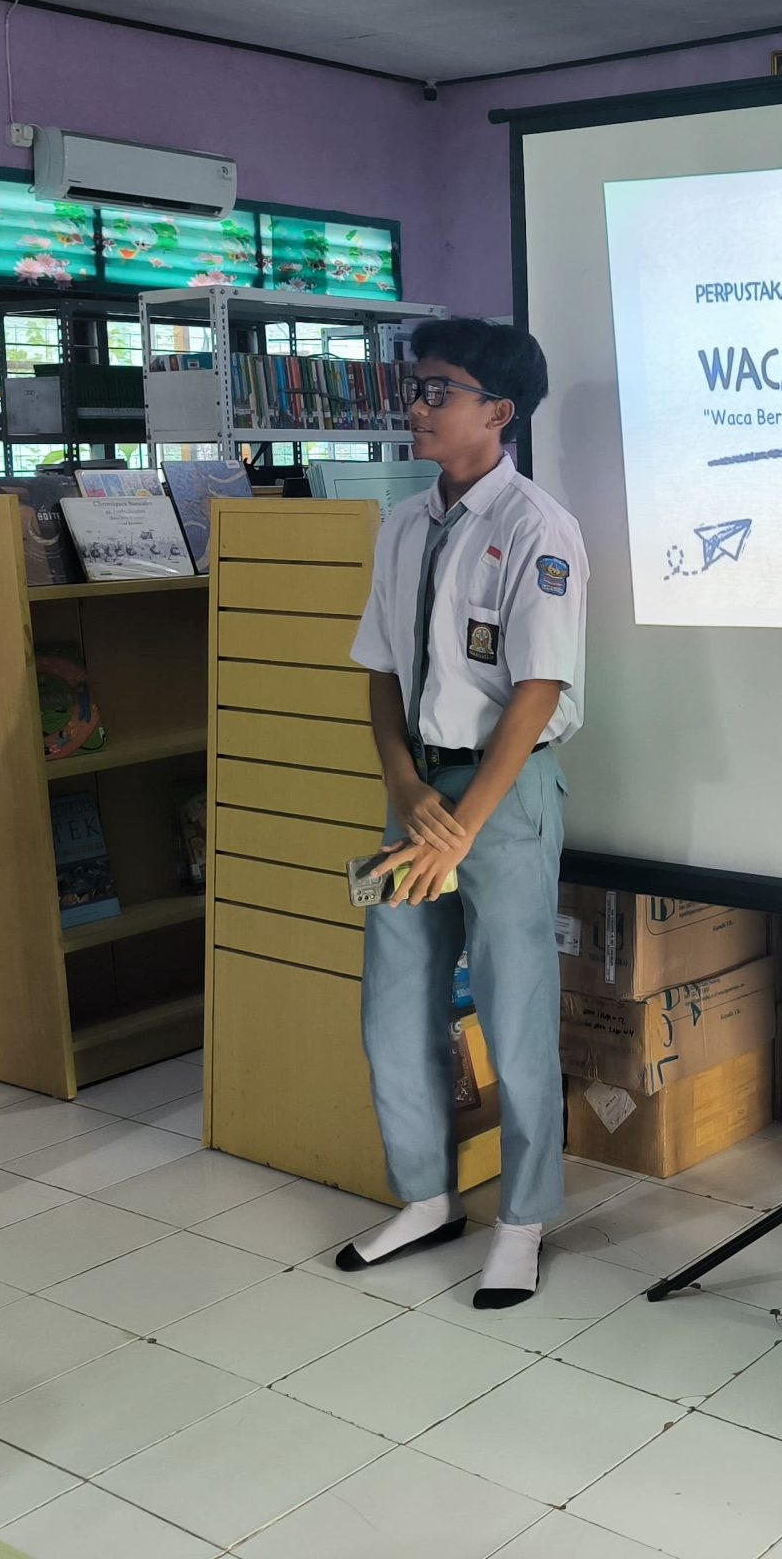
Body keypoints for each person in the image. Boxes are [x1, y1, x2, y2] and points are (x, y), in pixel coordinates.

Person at [338, 320, 585, 1309]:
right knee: (396, 1006)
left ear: (501, 412)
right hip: (419, 791)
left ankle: (522, 1219)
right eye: (416, 388)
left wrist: (464, 820)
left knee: (516, 1008)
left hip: (504, 795)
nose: (417, 407)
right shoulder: (401, 525)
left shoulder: (537, 527)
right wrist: (406, 793)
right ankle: (425, 1197)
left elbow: (537, 688)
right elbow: (382, 671)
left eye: (440, 390)